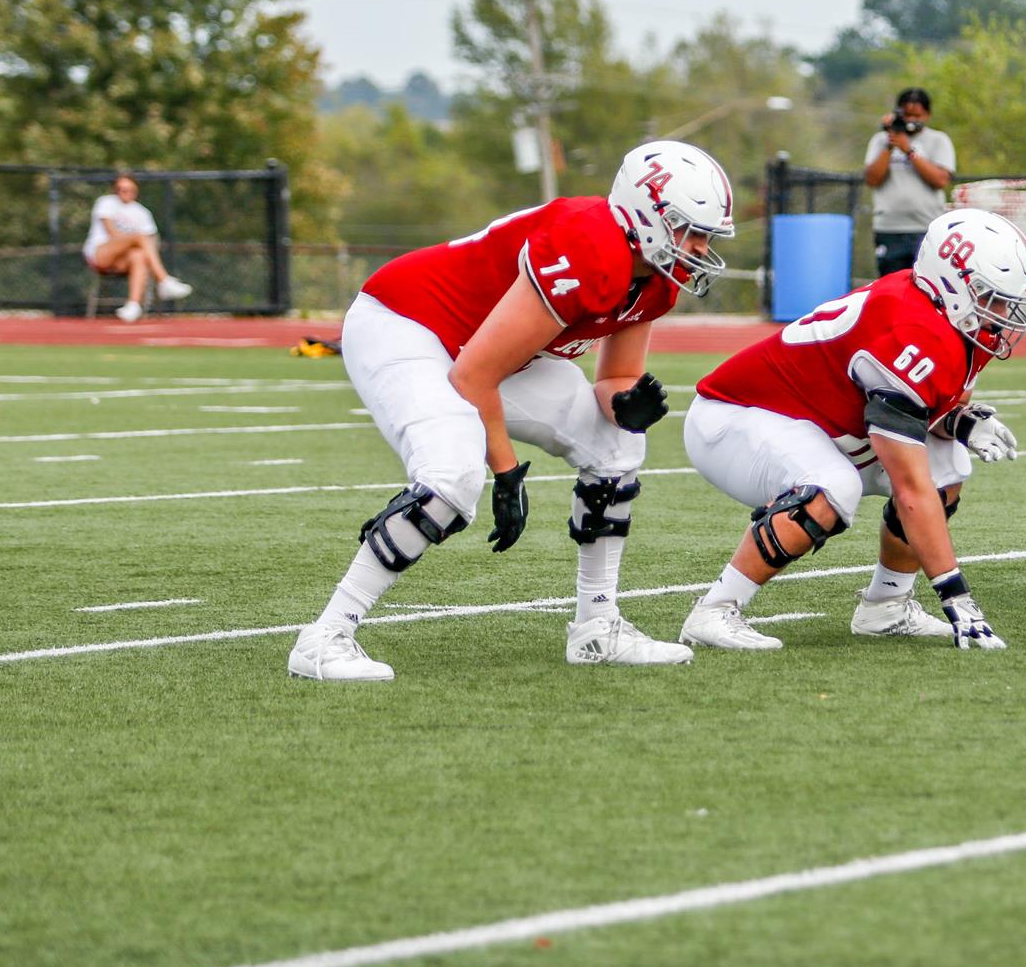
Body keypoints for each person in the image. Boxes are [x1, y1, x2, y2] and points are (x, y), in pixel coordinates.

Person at [287, 140, 736, 682]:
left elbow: (615, 377)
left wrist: (625, 404)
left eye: (707, 234)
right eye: (690, 229)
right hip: (409, 322)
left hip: (488, 349)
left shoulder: (656, 277)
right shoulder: (586, 249)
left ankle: (597, 627)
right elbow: (475, 375)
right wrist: (505, 473)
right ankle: (325, 636)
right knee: (453, 477)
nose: (699, 246)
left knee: (617, 443)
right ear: (645, 212)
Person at [677, 207, 1026, 652]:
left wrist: (961, 423)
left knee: (947, 464)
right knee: (834, 488)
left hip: (818, 423)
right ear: (952, 284)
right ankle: (715, 609)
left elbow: (919, 414)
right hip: (736, 416)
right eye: (992, 298)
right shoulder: (914, 329)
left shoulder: (952, 321)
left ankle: (886, 607)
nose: (1003, 314)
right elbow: (908, 488)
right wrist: (957, 598)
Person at [863, 86, 955, 276]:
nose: (912, 120)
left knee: (926, 288)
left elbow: (940, 180)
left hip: (926, 228)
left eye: (917, 116)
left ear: (927, 115)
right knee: (891, 289)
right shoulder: (881, 141)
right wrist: (891, 144)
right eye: (907, 115)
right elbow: (872, 179)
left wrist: (909, 151)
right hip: (890, 227)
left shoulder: (938, 140)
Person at [83, 173, 192, 322]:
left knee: (139, 255)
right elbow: (113, 233)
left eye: (130, 190)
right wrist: (136, 240)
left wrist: (140, 246)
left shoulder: (142, 212)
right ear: (116, 190)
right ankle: (164, 280)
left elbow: (151, 242)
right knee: (140, 237)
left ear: (136, 190)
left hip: (125, 261)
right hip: (101, 254)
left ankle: (133, 305)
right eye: (121, 189)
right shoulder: (106, 202)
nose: (126, 193)